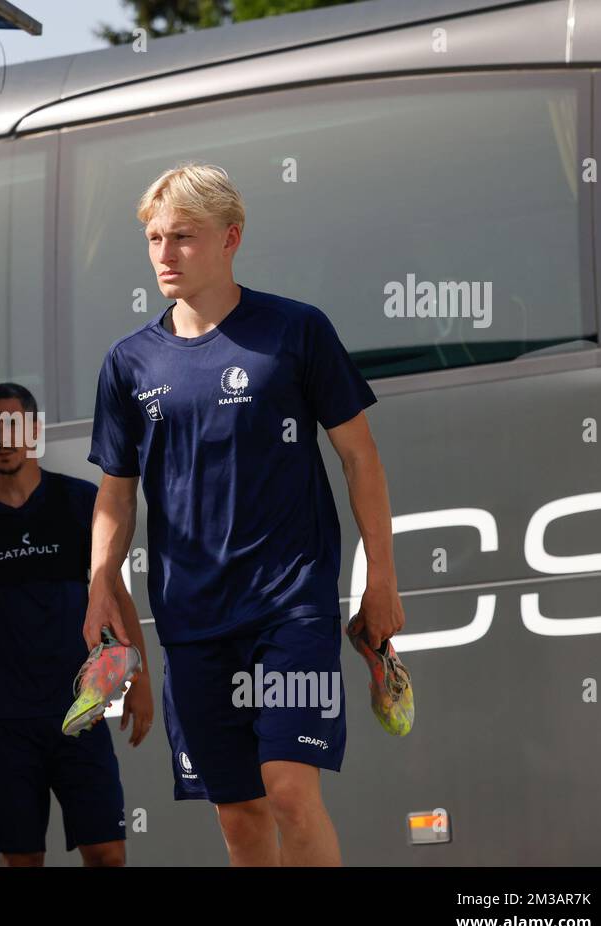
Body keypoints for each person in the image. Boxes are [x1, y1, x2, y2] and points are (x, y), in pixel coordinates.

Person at [85, 163, 404, 867]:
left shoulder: (296, 330)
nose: (164, 255)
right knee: (240, 817)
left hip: (290, 606)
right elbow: (115, 490)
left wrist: (380, 575)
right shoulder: (128, 363)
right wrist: (101, 578)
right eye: (155, 238)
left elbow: (361, 457)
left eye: (184, 238)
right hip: (191, 620)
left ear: (231, 238)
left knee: (288, 790)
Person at [0, 383, 152, 867]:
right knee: (21, 860)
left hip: (80, 711)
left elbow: (115, 593)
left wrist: (141, 679)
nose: (3, 438)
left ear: (33, 432)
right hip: (2, 722)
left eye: (13, 426)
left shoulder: (78, 501)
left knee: (108, 853)